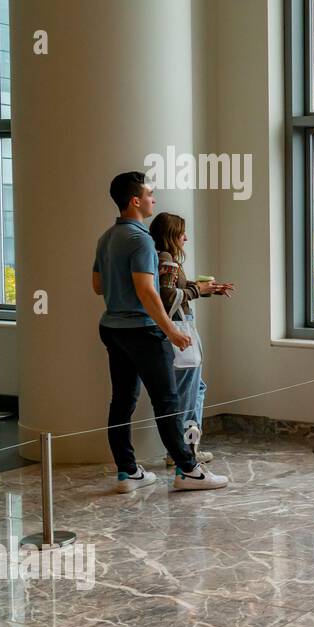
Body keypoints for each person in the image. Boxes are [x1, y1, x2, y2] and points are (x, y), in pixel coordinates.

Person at [92, 172, 228, 493]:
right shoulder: (141, 240)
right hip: (142, 331)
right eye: (151, 194)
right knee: (167, 402)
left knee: (122, 401)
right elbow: (147, 291)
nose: (155, 199)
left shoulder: (107, 237)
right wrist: (171, 331)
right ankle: (188, 470)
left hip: (112, 327)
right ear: (135, 201)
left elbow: (98, 285)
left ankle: (128, 472)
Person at [149, 212, 235, 467]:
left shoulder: (163, 259)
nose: (185, 238)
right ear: (171, 235)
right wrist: (199, 290)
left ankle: (184, 448)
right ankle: (183, 451)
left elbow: (174, 290)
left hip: (178, 328)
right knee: (188, 392)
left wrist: (206, 289)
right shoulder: (167, 260)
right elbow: (166, 297)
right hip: (179, 329)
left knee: (194, 389)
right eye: (181, 233)